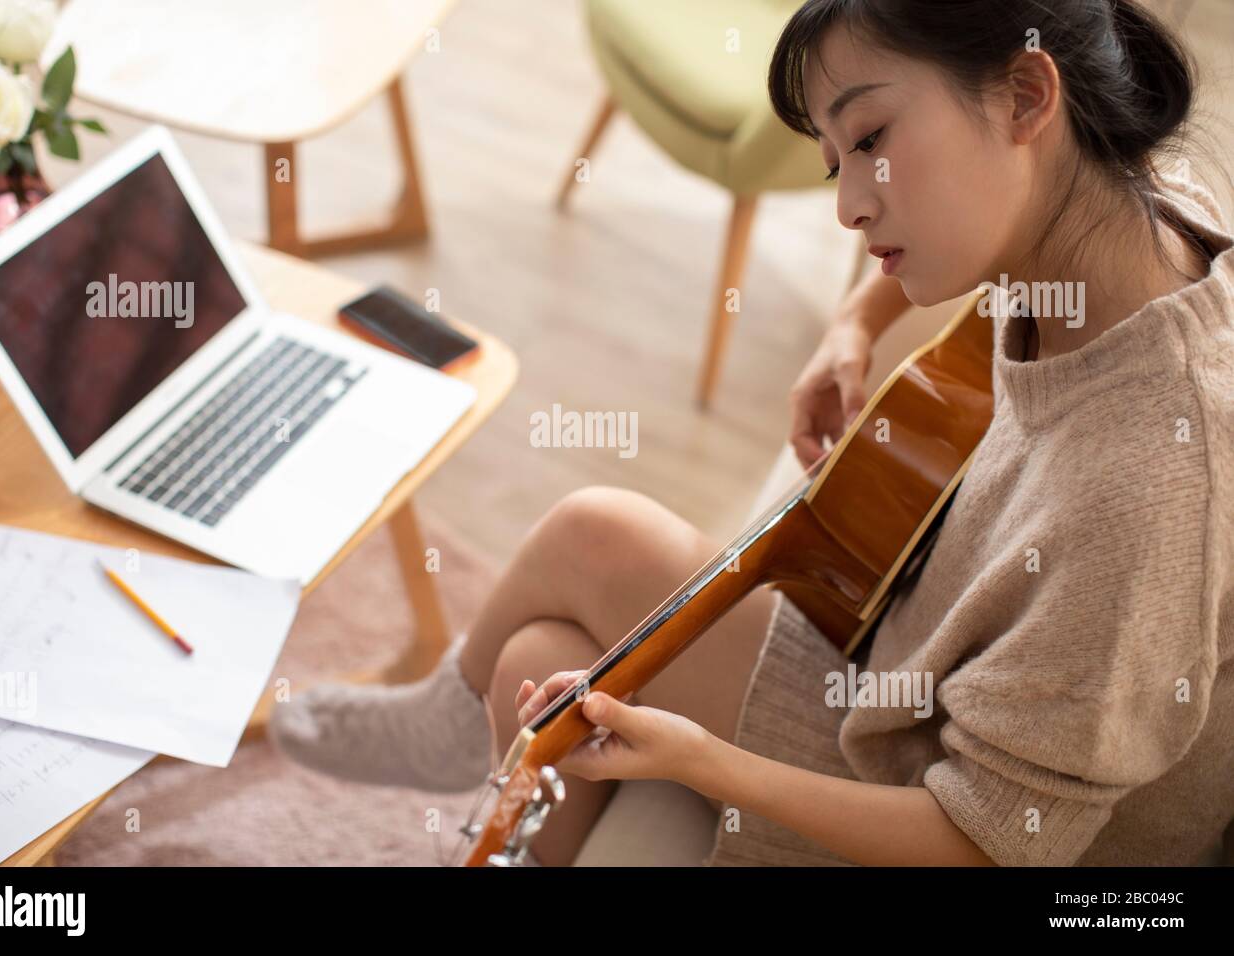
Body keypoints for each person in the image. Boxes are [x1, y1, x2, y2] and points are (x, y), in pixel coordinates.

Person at [269, 0, 1234, 867]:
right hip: (903, 687)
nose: (852, 205)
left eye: (873, 138)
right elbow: (987, 214)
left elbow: (989, 840)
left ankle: (449, 726)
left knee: (586, 560)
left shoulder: (1144, 477)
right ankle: (456, 728)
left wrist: (710, 767)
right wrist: (853, 326)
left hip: (942, 799)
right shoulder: (1142, 199)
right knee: (534, 662)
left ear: (1027, 95)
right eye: (836, 161)